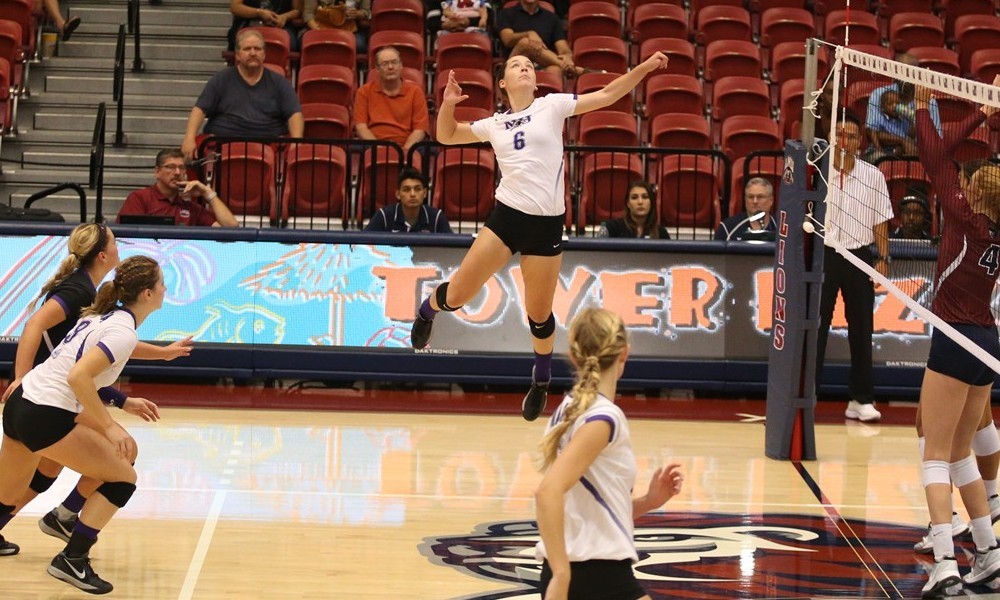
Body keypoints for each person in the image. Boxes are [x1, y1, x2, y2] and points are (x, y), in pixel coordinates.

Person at [409, 51, 669, 421]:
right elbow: (446, 135)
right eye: (516, 65)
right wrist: (448, 105)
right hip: (508, 218)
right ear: (502, 83)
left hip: (547, 225)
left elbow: (609, 95)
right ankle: (426, 311)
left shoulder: (552, 105)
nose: (525, 67)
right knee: (459, 294)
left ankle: (542, 379)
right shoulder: (495, 124)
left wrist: (643, 68)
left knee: (539, 313)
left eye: (529, 65)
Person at [0, 224, 189, 555]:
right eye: (161, 284)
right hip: (47, 406)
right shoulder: (82, 295)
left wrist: (160, 356)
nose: (165, 288)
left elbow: (105, 352)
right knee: (122, 468)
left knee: (12, 491)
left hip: (24, 401)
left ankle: (64, 516)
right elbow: (77, 372)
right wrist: (110, 424)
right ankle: (71, 551)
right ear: (146, 293)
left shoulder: (100, 311)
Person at [912, 80, 1000, 597]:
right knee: (961, 451)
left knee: (934, 452)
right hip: (986, 341)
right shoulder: (990, 224)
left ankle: (945, 561)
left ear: (974, 194)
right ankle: (988, 552)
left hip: (953, 337)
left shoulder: (964, 219)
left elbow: (932, 149)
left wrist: (931, 106)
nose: (961, 183)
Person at [533, 307, 684, 600]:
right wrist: (562, 576)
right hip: (596, 575)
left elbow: (589, 511)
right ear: (624, 353)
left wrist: (649, 502)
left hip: (580, 572)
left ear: (574, 356)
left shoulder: (568, 410)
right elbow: (547, 492)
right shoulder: (603, 418)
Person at [815, 112, 892, 423]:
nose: (843, 140)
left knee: (862, 329)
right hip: (824, 253)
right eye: (838, 134)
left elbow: (881, 220)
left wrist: (884, 259)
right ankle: (807, 395)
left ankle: (861, 399)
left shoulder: (874, 175)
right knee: (815, 327)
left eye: (849, 135)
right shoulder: (817, 172)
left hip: (859, 255)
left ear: (859, 142)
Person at [182, 29, 303, 161]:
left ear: (264, 54)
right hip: (221, 145)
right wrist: (189, 138)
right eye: (247, 49)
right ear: (237, 55)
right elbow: (199, 109)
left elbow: (294, 114)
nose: (252, 53)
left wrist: (296, 142)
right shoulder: (221, 79)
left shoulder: (279, 82)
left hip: (269, 146)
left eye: (257, 49)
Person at [117, 149, 240, 227]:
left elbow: (231, 226)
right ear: (157, 172)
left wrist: (207, 192)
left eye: (181, 168)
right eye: (170, 167)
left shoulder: (190, 207)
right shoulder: (140, 198)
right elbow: (127, 237)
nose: (177, 172)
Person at [353, 46, 430, 154]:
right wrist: (378, 150)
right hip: (373, 145)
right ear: (377, 69)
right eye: (385, 64)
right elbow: (361, 127)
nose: (390, 67)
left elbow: (420, 129)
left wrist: (405, 152)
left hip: (408, 146)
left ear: (401, 65)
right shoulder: (364, 92)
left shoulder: (415, 92)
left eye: (394, 62)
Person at [865, 54, 942, 162]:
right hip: (883, 152)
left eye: (908, 72)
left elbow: (935, 140)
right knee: (876, 157)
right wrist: (901, 141)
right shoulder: (879, 94)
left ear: (918, 73)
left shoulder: (930, 102)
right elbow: (870, 132)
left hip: (917, 153)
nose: (904, 78)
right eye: (900, 71)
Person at [497, 0, 586, 78]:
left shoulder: (551, 18)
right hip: (514, 64)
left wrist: (566, 56)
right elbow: (507, 39)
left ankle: (566, 66)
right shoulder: (506, 13)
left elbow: (563, 48)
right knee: (525, 43)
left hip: (543, 64)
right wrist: (529, 33)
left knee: (555, 70)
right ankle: (574, 69)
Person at [364, 167, 453, 233]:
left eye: (417, 189)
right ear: (398, 194)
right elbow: (363, 243)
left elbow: (451, 248)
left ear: (425, 193)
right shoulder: (384, 216)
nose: (412, 194)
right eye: (406, 190)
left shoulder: (437, 217)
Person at [598, 180, 669, 239]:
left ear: (651, 202)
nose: (640, 202)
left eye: (645, 197)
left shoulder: (661, 233)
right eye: (634, 198)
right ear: (628, 203)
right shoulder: (612, 228)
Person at [227, 0, 303, 51]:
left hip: (280, 26)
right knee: (241, 41)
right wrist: (258, 12)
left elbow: (297, 10)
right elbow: (235, 7)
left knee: (291, 44)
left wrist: (285, 17)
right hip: (250, 23)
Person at [302, 0, 370, 54]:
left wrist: (358, 14)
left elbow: (366, 12)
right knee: (309, 43)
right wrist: (317, 29)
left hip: (348, 29)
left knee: (359, 45)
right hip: (321, 27)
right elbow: (309, 13)